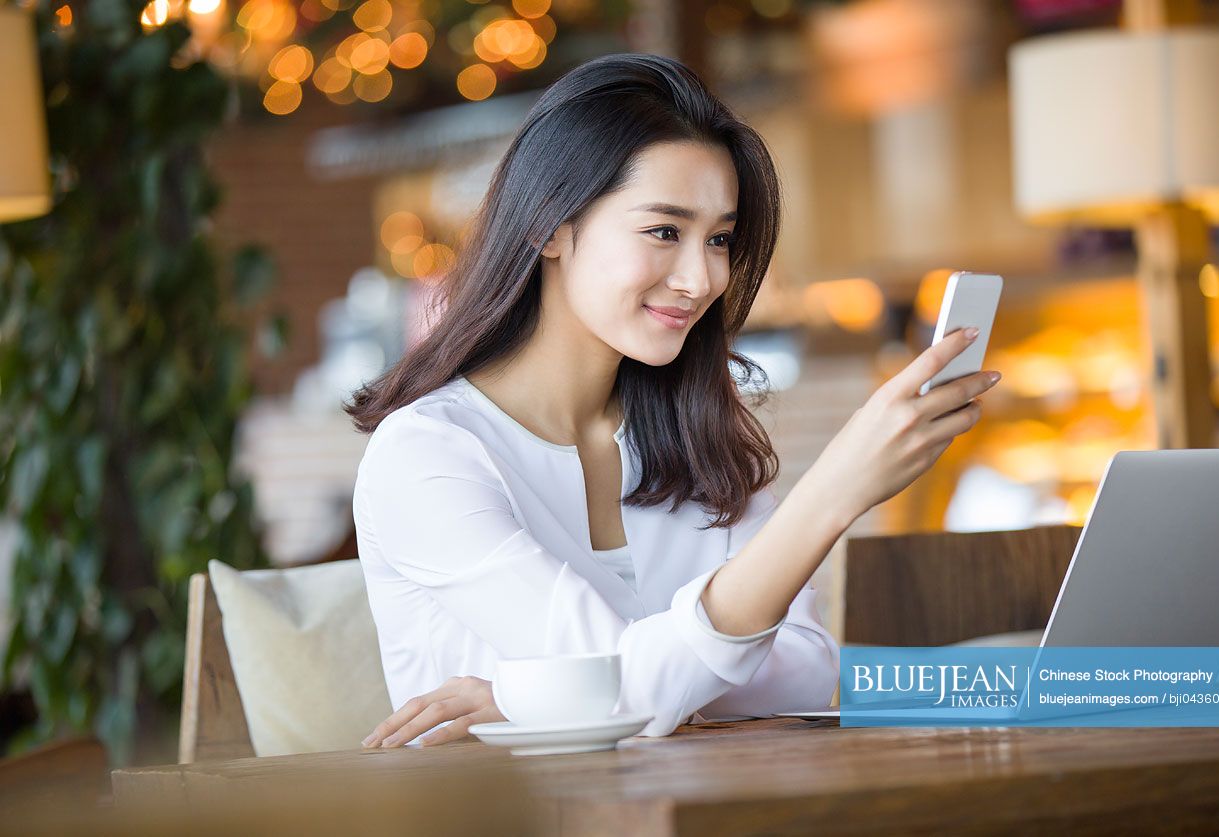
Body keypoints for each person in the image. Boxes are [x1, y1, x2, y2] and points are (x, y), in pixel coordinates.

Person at [350, 53, 999, 749]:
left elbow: (803, 673)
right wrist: (833, 492)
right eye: (664, 231)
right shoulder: (425, 454)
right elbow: (622, 694)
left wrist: (531, 695)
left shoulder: (690, 434)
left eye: (718, 238)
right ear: (549, 226)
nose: (700, 277)